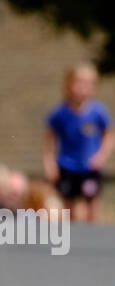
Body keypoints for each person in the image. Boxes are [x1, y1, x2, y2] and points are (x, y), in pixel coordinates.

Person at [43, 64, 114, 222]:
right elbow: (49, 141)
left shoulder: (98, 112)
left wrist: (101, 156)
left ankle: (93, 240)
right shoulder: (59, 113)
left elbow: (109, 136)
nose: (83, 88)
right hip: (67, 165)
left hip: (90, 167)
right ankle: (74, 240)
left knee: (92, 204)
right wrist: (50, 164)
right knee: (69, 207)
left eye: (88, 83)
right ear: (68, 85)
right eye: (79, 82)